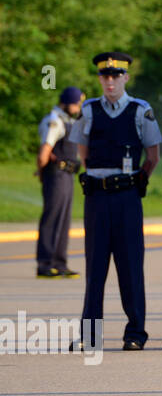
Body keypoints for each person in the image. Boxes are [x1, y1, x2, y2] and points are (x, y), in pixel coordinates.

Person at [70, 54, 159, 350]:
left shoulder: (139, 110)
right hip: (97, 196)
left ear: (126, 78)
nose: (110, 81)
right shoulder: (89, 110)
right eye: (105, 76)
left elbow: (153, 155)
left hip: (126, 197)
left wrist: (136, 181)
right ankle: (90, 336)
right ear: (99, 79)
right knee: (95, 268)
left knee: (130, 266)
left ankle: (135, 333)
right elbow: (82, 150)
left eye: (116, 75)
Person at [36, 86, 84, 279]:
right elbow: (44, 153)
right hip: (56, 174)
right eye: (75, 103)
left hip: (67, 174)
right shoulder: (54, 121)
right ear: (65, 103)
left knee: (64, 220)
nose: (78, 107)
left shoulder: (67, 120)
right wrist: (41, 172)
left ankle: (59, 262)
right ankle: (45, 263)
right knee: (52, 217)